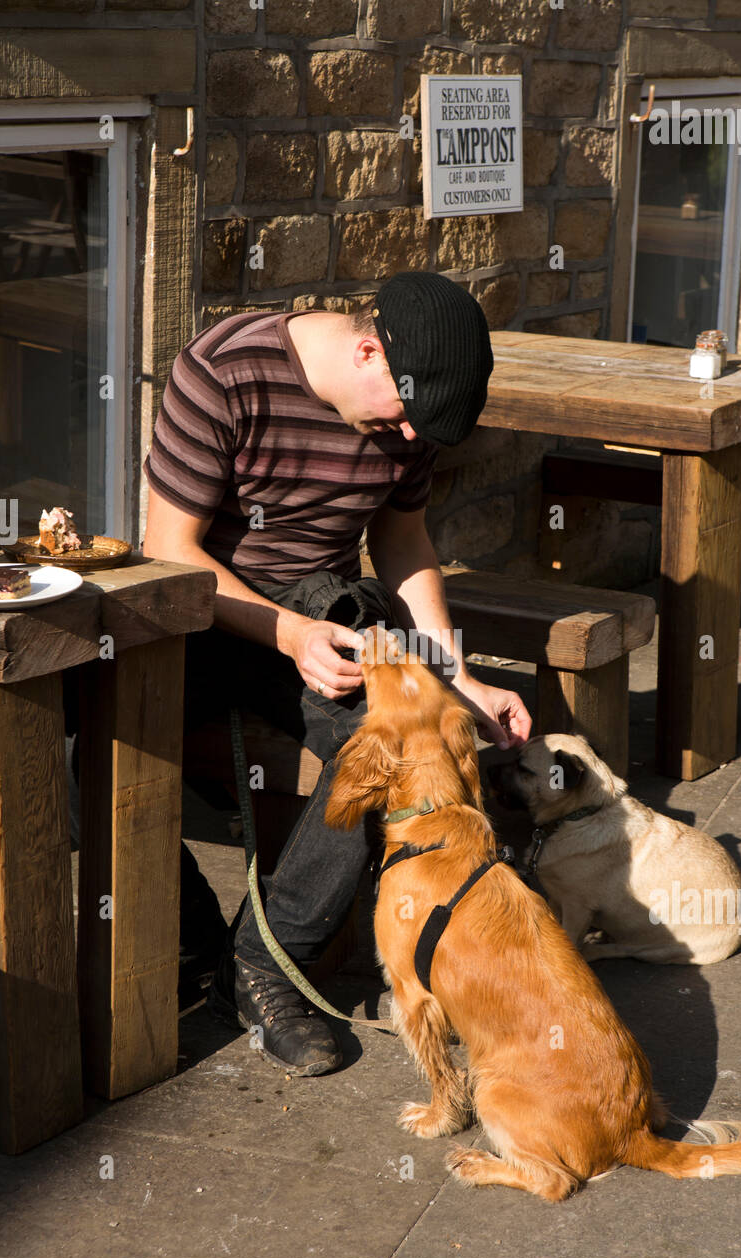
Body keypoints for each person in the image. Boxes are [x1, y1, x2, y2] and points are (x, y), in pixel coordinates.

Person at [141, 270, 531, 1075]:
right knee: (82, 755)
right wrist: (286, 633)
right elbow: (167, 551)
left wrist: (456, 677)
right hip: (203, 609)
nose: (412, 440)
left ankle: (261, 965)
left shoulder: (403, 418)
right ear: (366, 352)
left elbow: (403, 543)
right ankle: (194, 943)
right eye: (407, 415)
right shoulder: (223, 373)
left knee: (389, 754)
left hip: (328, 614)